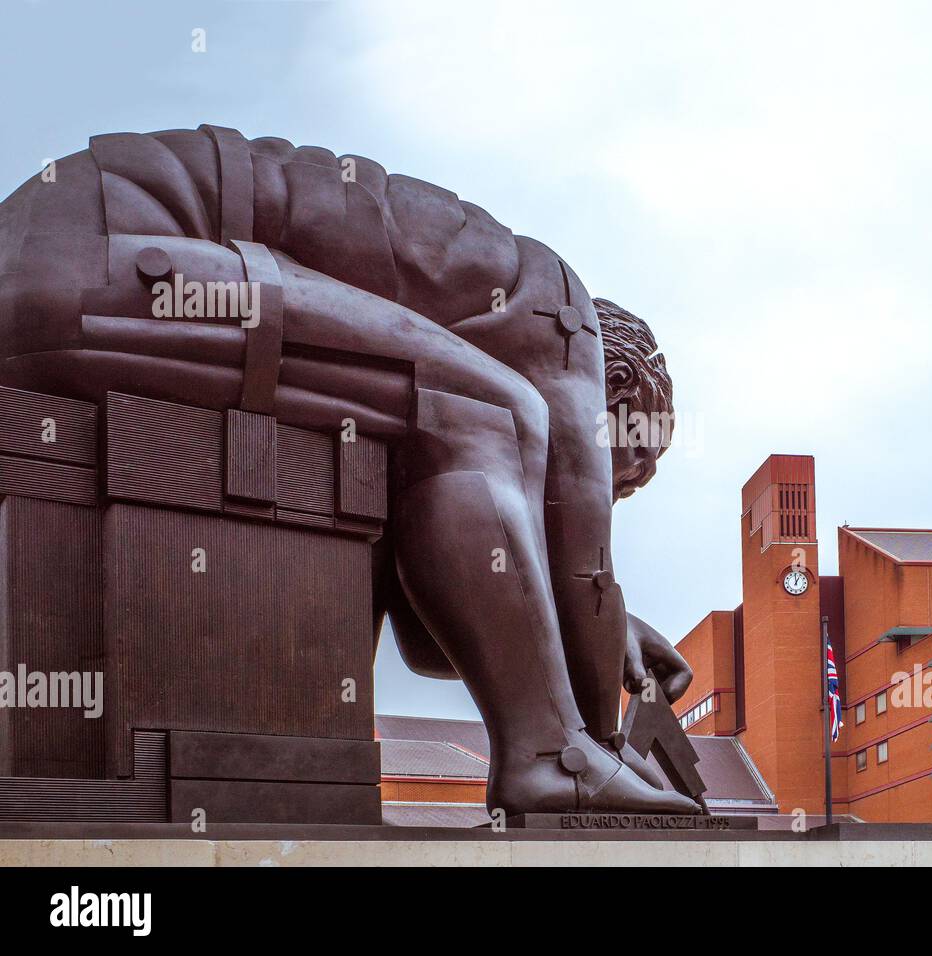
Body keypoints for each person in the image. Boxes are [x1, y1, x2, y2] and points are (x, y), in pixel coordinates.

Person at [0, 125, 697, 815]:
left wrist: (606, 628)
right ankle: (554, 761)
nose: (606, 488)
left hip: (69, 264)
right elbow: (584, 563)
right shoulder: (566, 315)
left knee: (472, 410)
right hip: (100, 256)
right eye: (622, 468)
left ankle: (556, 753)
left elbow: (435, 637)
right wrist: (601, 725)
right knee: (488, 409)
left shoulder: (476, 335)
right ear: (623, 388)